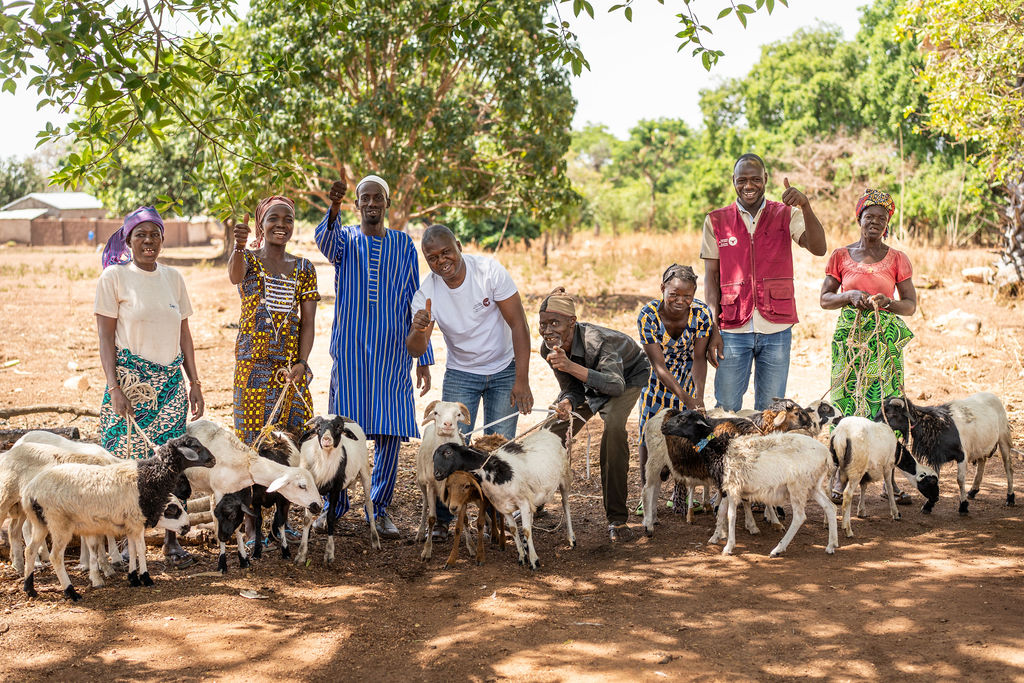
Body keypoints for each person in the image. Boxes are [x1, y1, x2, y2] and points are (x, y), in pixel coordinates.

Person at [315, 175, 433, 540]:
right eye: (364, 198)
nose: (371, 204)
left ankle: (378, 510)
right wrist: (332, 207)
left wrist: (423, 357)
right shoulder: (345, 240)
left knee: (390, 434)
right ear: (356, 205)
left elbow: (416, 301)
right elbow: (324, 241)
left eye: (377, 198)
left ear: (386, 203)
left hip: (392, 353)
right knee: (342, 434)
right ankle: (333, 508)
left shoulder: (403, 245)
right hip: (351, 353)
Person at [407, 224, 533, 540]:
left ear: (460, 246)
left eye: (446, 252)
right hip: (462, 373)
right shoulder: (427, 294)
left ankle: (496, 520)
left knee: (497, 451)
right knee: (450, 448)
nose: (441, 261)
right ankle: (445, 522)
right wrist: (419, 329)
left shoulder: (488, 271)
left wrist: (522, 379)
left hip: (504, 370)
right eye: (432, 257)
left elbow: (519, 323)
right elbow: (414, 349)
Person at [95, 206, 204, 567]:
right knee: (127, 464)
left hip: (171, 387)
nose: (148, 241)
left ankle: (171, 540)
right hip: (130, 385)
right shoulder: (114, 278)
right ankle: (127, 542)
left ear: (162, 239)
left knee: (171, 463)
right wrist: (114, 387)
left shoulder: (173, 278)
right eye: (140, 234)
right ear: (127, 240)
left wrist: (195, 383)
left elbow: (183, 335)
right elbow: (105, 339)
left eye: (154, 234)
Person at [701, 153, 827, 411]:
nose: (749, 186)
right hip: (732, 330)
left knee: (771, 411)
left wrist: (806, 206)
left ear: (766, 179)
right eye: (742, 180)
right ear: (733, 181)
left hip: (776, 328)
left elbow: (819, 248)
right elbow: (711, 278)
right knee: (726, 408)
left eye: (756, 179)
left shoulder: (786, 214)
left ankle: (764, 453)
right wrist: (713, 328)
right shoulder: (716, 220)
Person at [540, 288, 650, 541]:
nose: (547, 330)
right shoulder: (549, 348)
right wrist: (567, 402)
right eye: (542, 324)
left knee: (613, 429)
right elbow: (571, 388)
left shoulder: (599, 341)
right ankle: (535, 503)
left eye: (554, 323)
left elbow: (615, 385)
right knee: (551, 431)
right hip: (589, 380)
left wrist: (570, 366)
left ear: (572, 323)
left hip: (627, 376)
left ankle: (618, 520)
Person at [228, 196, 319, 446]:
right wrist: (238, 245)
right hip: (253, 367)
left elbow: (308, 322)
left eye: (288, 220)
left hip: (289, 370)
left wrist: (302, 361)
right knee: (253, 442)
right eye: (273, 219)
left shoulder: (304, 268)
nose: (281, 225)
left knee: (293, 440)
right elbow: (235, 276)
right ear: (261, 225)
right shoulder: (247, 260)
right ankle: (253, 488)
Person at [636, 264, 713, 514]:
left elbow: (699, 358)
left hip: (687, 373)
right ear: (662, 289)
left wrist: (698, 396)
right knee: (649, 434)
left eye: (687, 296)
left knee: (686, 435)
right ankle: (646, 492)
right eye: (674, 294)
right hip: (655, 379)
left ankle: (679, 494)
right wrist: (685, 398)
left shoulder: (701, 314)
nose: (681, 301)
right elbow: (659, 366)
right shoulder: (648, 316)